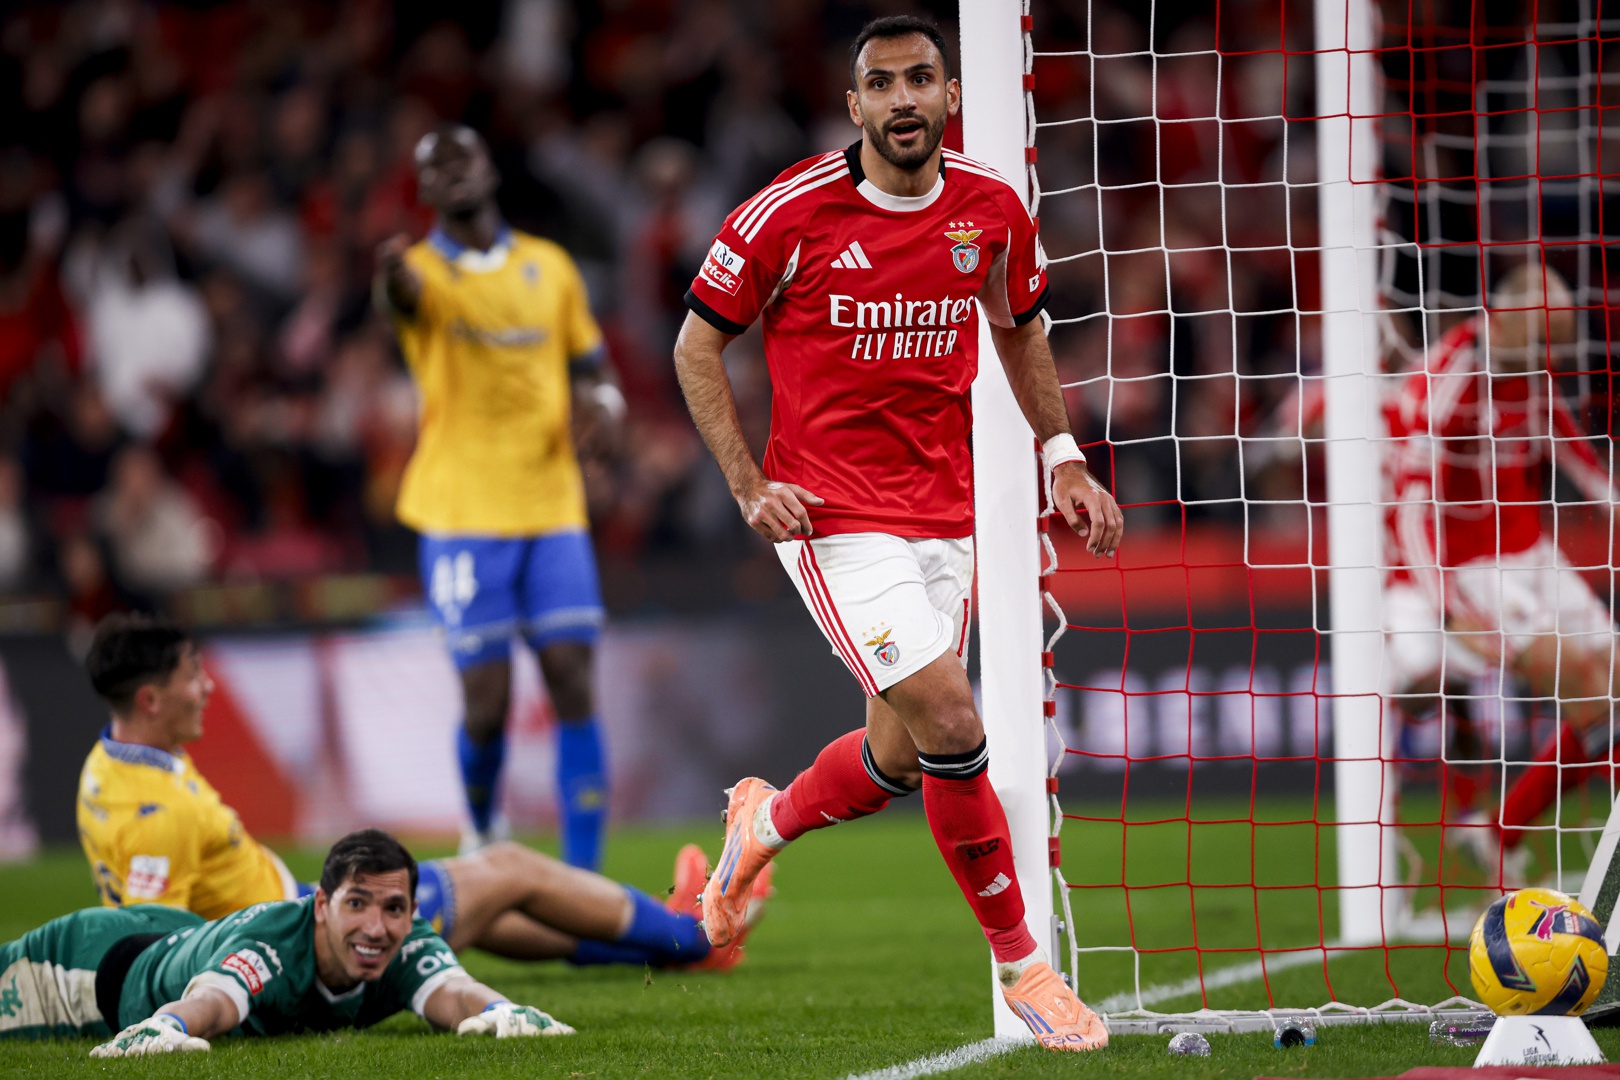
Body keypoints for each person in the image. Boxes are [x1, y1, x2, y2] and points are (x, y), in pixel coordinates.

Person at [671, 15, 1124, 1052]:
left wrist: (1062, 455)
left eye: (921, 79)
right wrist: (748, 484)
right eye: (882, 84)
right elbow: (696, 346)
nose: (904, 99)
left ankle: (761, 826)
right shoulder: (788, 213)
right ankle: (1025, 967)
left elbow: (1019, 325)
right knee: (956, 722)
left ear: (951, 95)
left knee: (901, 755)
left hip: (941, 511)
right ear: (856, 106)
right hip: (831, 518)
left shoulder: (991, 209)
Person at [77, 614, 766, 972]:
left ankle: (668, 944)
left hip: (297, 918)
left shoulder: (109, 769)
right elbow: (154, 950)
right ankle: (695, 934)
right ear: (150, 698)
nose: (207, 686)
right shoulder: (155, 813)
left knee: (488, 913)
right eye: (191, 676)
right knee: (508, 867)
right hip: (308, 948)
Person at [375, 123, 625, 866]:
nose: (455, 171)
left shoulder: (551, 267)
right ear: (424, 190)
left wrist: (607, 406)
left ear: (489, 171)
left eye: (465, 158)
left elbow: (594, 367)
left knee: (572, 679)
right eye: (437, 166)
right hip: (463, 513)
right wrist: (388, 279)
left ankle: (584, 879)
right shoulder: (420, 273)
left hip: (552, 506)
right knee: (487, 705)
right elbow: (401, 298)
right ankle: (483, 831)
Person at [1381, 265, 1620, 885]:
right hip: (1477, 569)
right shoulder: (1443, 382)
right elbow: (1410, 510)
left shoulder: (1533, 369)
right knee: (1582, 683)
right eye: (1543, 339)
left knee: (1614, 683)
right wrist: (1447, 607)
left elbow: (1567, 442)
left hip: (1532, 549)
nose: (1550, 356)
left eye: (1558, 342)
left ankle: (1499, 832)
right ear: (1505, 320)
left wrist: (1611, 501)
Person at [0, 828, 572, 1049]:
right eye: (356, 904)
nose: (376, 928)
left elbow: (454, 991)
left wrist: (502, 1010)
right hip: (81, 973)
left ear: (411, 912)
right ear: (321, 906)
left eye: (394, 909)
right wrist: (167, 1027)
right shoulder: (275, 944)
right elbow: (214, 1002)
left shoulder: (406, 943)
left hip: (174, 934)